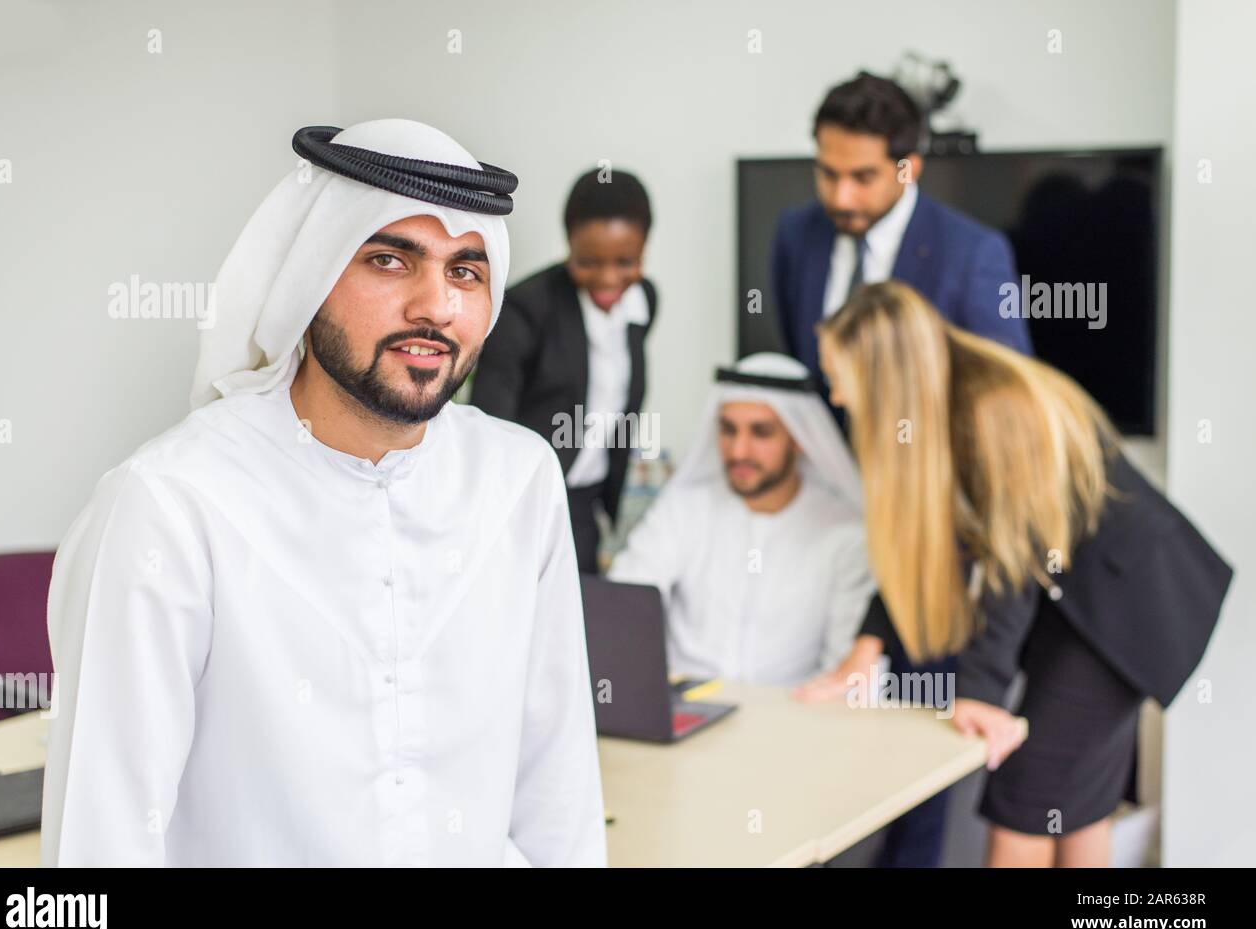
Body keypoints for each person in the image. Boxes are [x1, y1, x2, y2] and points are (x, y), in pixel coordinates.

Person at [41, 120, 607, 867]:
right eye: (389, 260)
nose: (436, 306)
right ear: (309, 278)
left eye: (465, 271)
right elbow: (101, 845)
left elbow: (557, 798)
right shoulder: (171, 505)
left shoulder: (518, 480)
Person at [799, 280, 1233, 867]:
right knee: (1075, 803)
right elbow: (932, 547)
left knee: (1026, 800)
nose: (837, 396)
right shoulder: (938, 405)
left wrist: (981, 695)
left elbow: (1011, 561)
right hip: (1083, 594)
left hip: (1131, 601)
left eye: (839, 378)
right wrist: (864, 652)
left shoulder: (990, 405)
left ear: (882, 373)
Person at [772, 71, 1033, 422]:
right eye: (828, 174)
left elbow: (1006, 389)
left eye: (863, 178)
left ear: (908, 170)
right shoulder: (796, 235)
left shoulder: (973, 254)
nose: (841, 198)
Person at [608, 353, 872, 685]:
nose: (738, 451)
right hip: (686, 708)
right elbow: (624, 600)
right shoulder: (685, 507)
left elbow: (847, 668)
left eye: (761, 433)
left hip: (795, 719)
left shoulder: (844, 531)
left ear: (799, 440)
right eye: (729, 430)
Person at [470, 169, 658, 573]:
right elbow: (488, 426)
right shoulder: (523, 310)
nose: (609, 278)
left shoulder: (643, 302)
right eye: (588, 261)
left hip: (587, 502)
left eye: (626, 261)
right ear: (568, 244)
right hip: (524, 501)